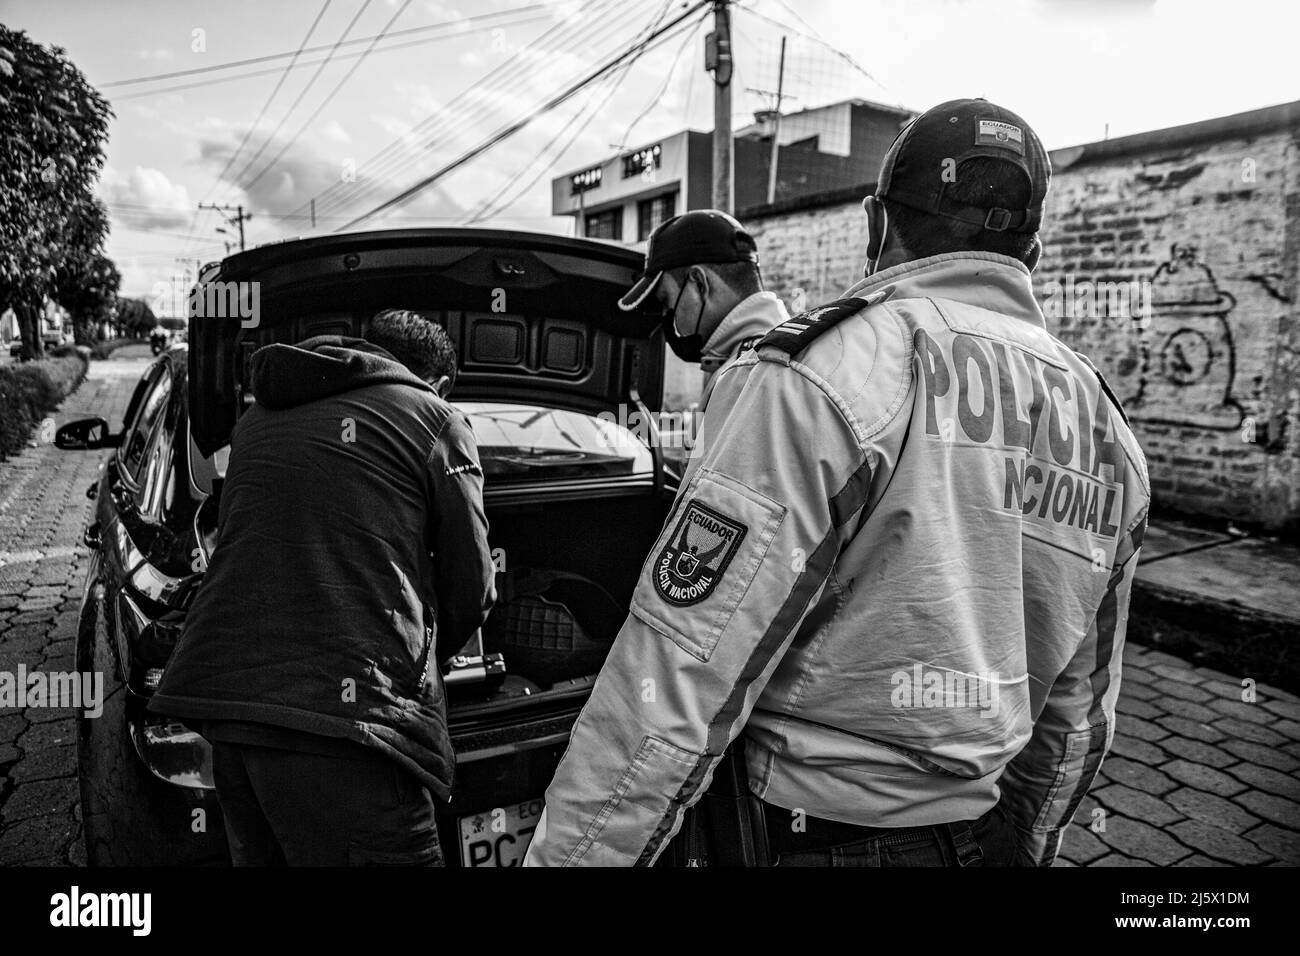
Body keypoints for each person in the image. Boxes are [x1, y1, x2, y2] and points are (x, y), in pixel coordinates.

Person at [524, 98, 1150, 867]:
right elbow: (1077, 713)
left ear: (875, 224)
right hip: (972, 839)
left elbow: (682, 669)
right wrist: (1021, 851)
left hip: (811, 838)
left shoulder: (824, 374)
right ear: (1036, 250)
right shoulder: (1106, 429)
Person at [150, 309, 495, 866]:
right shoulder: (437, 420)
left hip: (230, 716)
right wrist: (425, 658)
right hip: (347, 736)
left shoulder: (259, 418)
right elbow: (473, 589)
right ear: (444, 384)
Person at [619, 210, 789, 417]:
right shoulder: (762, 357)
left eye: (666, 300)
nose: (667, 316)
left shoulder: (745, 376)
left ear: (699, 283)